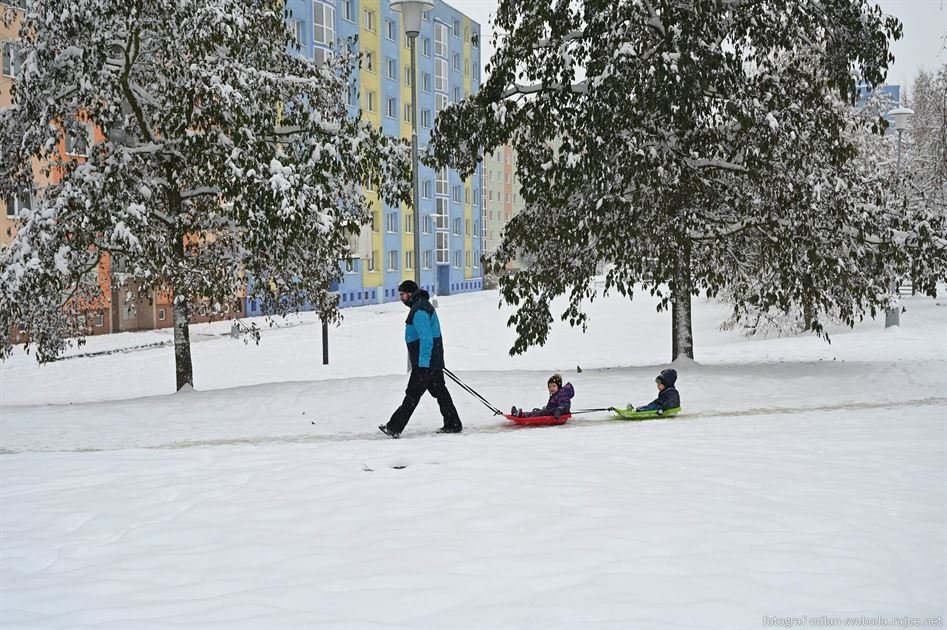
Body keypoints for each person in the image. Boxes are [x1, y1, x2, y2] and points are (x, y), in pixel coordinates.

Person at [379, 280, 462, 438]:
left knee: (412, 394)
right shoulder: (422, 306)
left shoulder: (419, 310)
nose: (401, 299)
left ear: (410, 294)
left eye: (403, 295)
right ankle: (453, 423)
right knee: (440, 392)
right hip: (432, 360)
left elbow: (426, 338)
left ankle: (394, 427)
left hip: (425, 363)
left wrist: (423, 364)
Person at [511, 374, 575, 418]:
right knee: (537, 411)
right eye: (549, 387)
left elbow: (565, 404)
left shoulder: (561, 395)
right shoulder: (556, 395)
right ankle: (521, 414)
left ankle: (521, 415)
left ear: (559, 386)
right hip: (552, 412)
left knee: (539, 413)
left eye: (554, 386)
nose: (551, 388)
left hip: (557, 414)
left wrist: (559, 410)